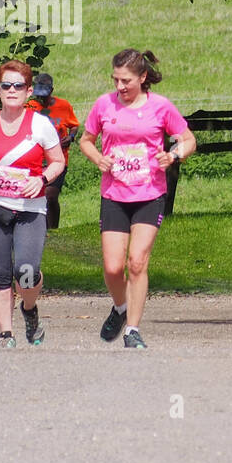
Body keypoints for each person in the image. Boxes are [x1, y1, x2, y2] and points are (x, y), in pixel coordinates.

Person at [78, 49, 196, 350]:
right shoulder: (104, 104)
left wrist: (173, 154)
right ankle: (120, 308)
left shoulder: (161, 107)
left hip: (149, 193)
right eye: (115, 79)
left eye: (126, 80)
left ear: (143, 78)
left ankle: (132, 329)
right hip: (115, 194)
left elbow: (188, 139)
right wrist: (98, 159)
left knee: (137, 262)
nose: (120, 86)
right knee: (113, 268)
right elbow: (86, 140)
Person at [0, 60, 65, 348]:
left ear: (29, 91)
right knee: (0, 272)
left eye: (18, 85)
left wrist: (42, 179)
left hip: (30, 210)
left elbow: (58, 161)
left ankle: (29, 310)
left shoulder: (41, 125)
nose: (12, 90)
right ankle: (6, 334)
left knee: (27, 271)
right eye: (6, 85)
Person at [25, 72, 79, 229]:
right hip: (35, 159)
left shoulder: (63, 105)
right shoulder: (29, 107)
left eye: (44, 94)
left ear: (52, 90)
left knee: (51, 196)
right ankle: (38, 228)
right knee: (36, 195)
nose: (41, 98)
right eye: (38, 94)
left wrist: (71, 137)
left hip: (58, 159)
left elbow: (74, 125)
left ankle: (53, 229)